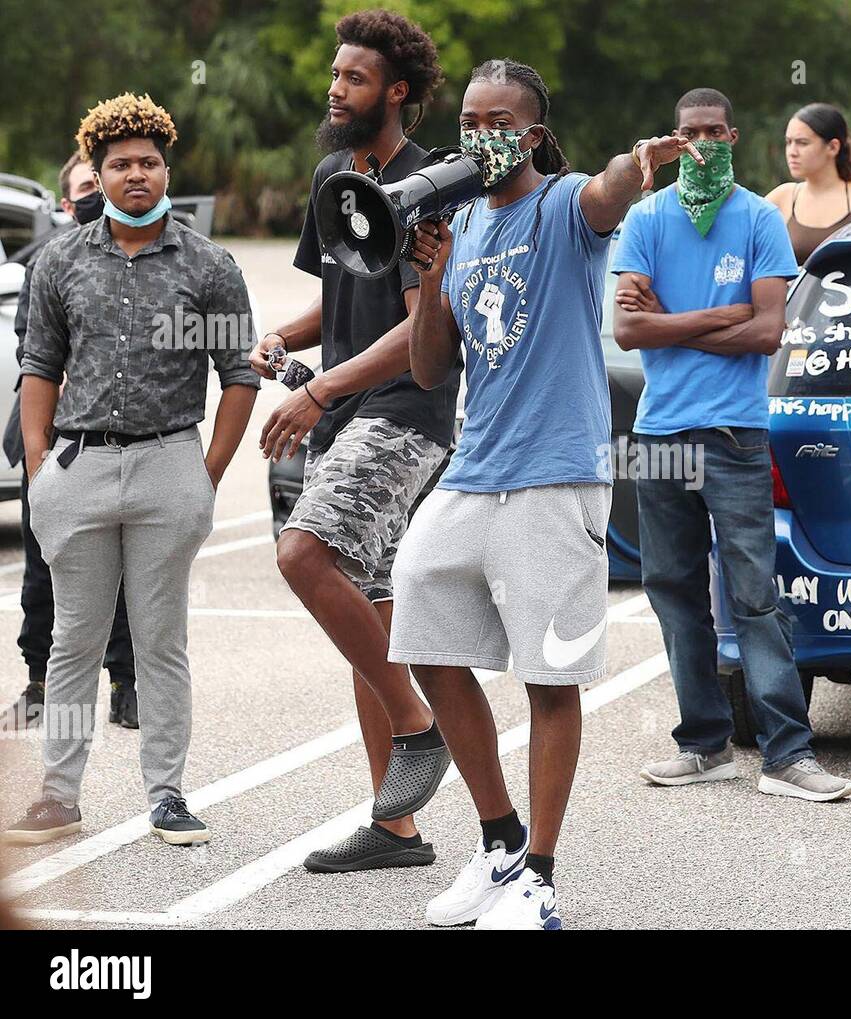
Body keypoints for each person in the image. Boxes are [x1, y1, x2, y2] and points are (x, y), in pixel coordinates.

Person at [389, 57, 697, 930]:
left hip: (555, 474)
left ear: (529, 134)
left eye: (497, 121)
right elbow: (427, 366)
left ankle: (541, 878)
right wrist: (433, 278)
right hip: (474, 470)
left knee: (548, 673)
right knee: (419, 625)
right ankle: (498, 843)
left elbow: (607, 192)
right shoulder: (461, 224)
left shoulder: (561, 206)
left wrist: (638, 166)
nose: (478, 133)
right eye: (468, 118)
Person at [0, 93, 259, 847]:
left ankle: (169, 794)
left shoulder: (208, 264)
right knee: (73, 641)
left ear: (166, 169)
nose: (135, 174)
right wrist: (43, 465)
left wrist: (204, 473)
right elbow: (38, 367)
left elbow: (239, 374)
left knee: (159, 638)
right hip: (78, 467)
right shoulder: (60, 261)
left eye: (148, 162)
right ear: (99, 174)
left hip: (168, 463)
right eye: (120, 164)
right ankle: (57, 795)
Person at [250, 10, 459, 875]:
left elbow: (418, 325)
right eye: (334, 76)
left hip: (406, 409)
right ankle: (395, 828)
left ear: (397, 92)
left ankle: (421, 728)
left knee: (302, 555)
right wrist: (282, 342)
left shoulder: (428, 185)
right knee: (367, 613)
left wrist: (325, 387)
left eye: (355, 79)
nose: (335, 90)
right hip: (346, 412)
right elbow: (338, 298)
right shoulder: (334, 173)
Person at [611, 88, 851, 803]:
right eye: (691, 133)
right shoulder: (646, 216)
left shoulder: (758, 219)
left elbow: (769, 330)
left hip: (735, 434)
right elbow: (628, 331)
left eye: (716, 131)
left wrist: (675, 320)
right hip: (658, 435)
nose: (704, 143)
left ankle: (788, 754)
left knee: (753, 595)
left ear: (733, 136)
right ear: (674, 139)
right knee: (673, 590)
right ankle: (703, 745)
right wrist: (724, 314)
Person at [0, 153, 137, 733]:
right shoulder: (46, 261)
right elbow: (35, 349)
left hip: (121, 442)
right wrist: (38, 455)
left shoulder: (142, 258)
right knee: (41, 568)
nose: (93, 196)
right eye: (84, 188)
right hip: (53, 439)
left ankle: (126, 684)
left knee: (126, 572)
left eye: (96, 186)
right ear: (66, 202)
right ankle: (37, 682)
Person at [764, 102, 851, 264]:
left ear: (833, 147)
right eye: (788, 142)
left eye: (802, 143)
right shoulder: (782, 197)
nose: (792, 152)